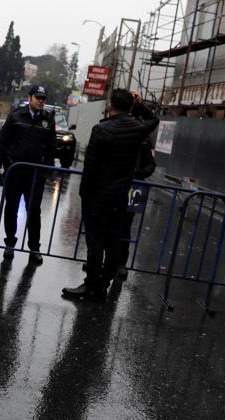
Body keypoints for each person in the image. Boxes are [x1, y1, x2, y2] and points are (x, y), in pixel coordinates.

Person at [62, 88, 159, 300]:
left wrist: (84, 193)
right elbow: (153, 119)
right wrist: (139, 104)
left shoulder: (101, 130)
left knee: (95, 242)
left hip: (98, 194)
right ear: (130, 106)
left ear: (111, 106)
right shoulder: (138, 129)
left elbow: (91, 166)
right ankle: (105, 282)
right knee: (114, 240)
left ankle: (91, 286)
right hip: (120, 194)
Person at [0, 85, 56, 265]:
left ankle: (34, 248)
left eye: (43, 98)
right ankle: (10, 243)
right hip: (15, 171)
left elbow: (51, 147)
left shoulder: (48, 120)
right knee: (11, 207)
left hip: (35, 175)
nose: (41, 101)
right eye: (37, 97)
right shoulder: (16, 116)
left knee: (34, 210)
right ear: (29, 97)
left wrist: (46, 169)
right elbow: (2, 142)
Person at [115, 132, 157, 279]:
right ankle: (103, 260)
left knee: (126, 225)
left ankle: (121, 264)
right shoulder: (118, 130)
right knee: (108, 222)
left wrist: (139, 174)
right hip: (115, 184)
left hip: (135, 186)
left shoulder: (145, 138)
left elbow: (151, 164)